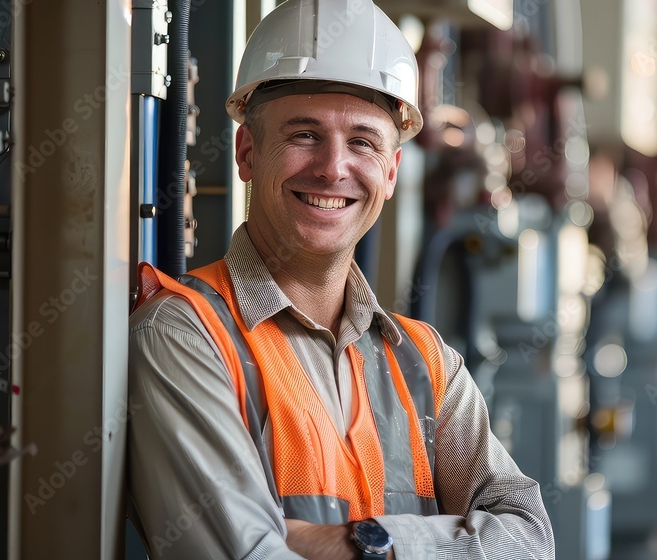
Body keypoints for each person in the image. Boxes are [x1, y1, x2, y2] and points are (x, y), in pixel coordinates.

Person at [126, 0, 554, 558]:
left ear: (392, 172)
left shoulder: (426, 365)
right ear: (247, 152)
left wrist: (363, 543)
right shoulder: (184, 336)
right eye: (304, 135)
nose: (333, 168)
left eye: (363, 142)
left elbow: (530, 540)